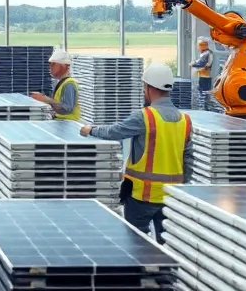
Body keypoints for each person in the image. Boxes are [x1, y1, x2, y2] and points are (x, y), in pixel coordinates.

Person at [79, 63, 191, 243]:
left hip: (142, 196)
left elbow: (115, 131)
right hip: (171, 197)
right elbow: (188, 161)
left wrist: (90, 130)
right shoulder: (185, 120)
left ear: (149, 88)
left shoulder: (145, 116)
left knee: (136, 245)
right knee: (167, 247)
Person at [29, 49, 80, 121]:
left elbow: (67, 109)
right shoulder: (61, 83)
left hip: (69, 124)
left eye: (53, 65)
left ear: (63, 66)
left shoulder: (69, 84)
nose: (50, 68)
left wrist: (46, 100)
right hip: (62, 122)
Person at [189, 36, 214, 108]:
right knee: (201, 92)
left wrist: (193, 64)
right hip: (201, 75)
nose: (198, 47)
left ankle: (205, 106)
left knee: (204, 93)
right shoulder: (204, 53)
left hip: (205, 76)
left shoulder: (208, 53)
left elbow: (202, 63)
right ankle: (202, 105)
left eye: (200, 45)